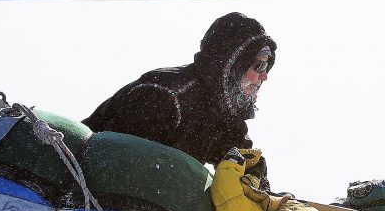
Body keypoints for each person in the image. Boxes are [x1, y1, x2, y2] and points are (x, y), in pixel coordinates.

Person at [82, 12, 276, 166]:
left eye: (266, 67)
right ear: (231, 65)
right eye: (258, 66)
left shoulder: (223, 105)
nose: (264, 76)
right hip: (74, 194)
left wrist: (255, 184)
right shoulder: (163, 98)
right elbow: (112, 168)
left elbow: (242, 159)